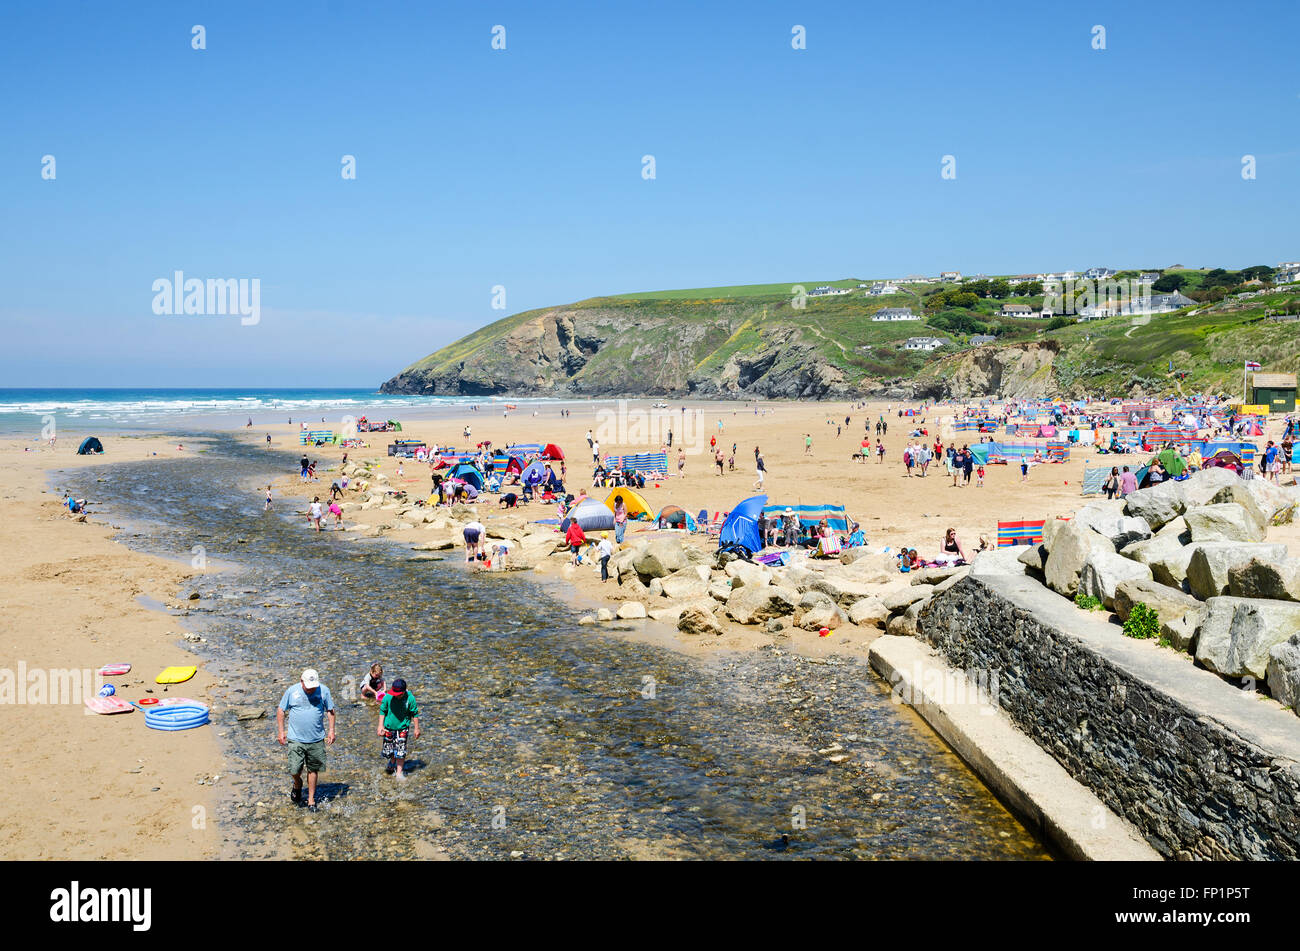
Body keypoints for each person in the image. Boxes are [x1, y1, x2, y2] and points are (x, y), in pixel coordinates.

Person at [276, 668, 336, 812]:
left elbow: (330, 711)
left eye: (313, 687)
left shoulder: (324, 691)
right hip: (295, 738)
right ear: (301, 681)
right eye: (308, 687)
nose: (311, 690)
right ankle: (297, 783)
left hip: (316, 738)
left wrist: (332, 730)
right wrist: (280, 731)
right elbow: (280, 710)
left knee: (313, 769)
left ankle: (311, 800)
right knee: (294, 769)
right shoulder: (292, 691)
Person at [377, 678, 419, 780]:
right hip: (389, 728)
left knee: (401, 750)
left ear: (404, 691)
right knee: (389, 750)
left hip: (402, 728)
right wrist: (380, 726)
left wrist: (416, 728)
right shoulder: (388, 697)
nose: (395, 695)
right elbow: (383, 711)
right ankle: (392, 761)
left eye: (398, 694)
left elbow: (415, 713)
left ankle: (399, 773)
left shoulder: (410, 698)